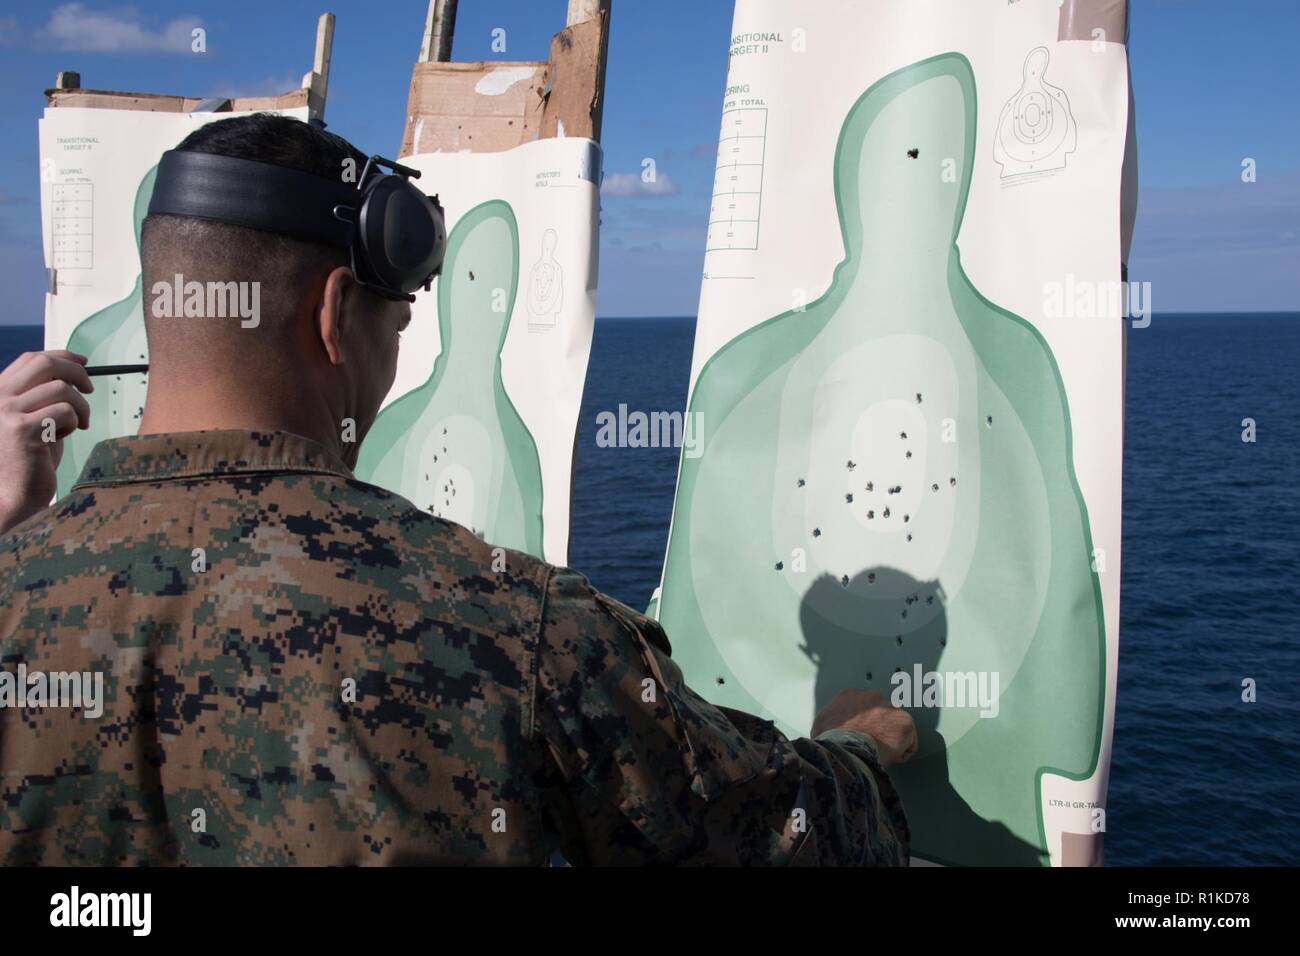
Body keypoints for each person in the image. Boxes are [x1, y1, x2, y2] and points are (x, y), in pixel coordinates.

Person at [0, 114, 914, 865]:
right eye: (397, 319)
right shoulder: (516, 625)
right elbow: (782, 838)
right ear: (332, 315)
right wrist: (862, 752)